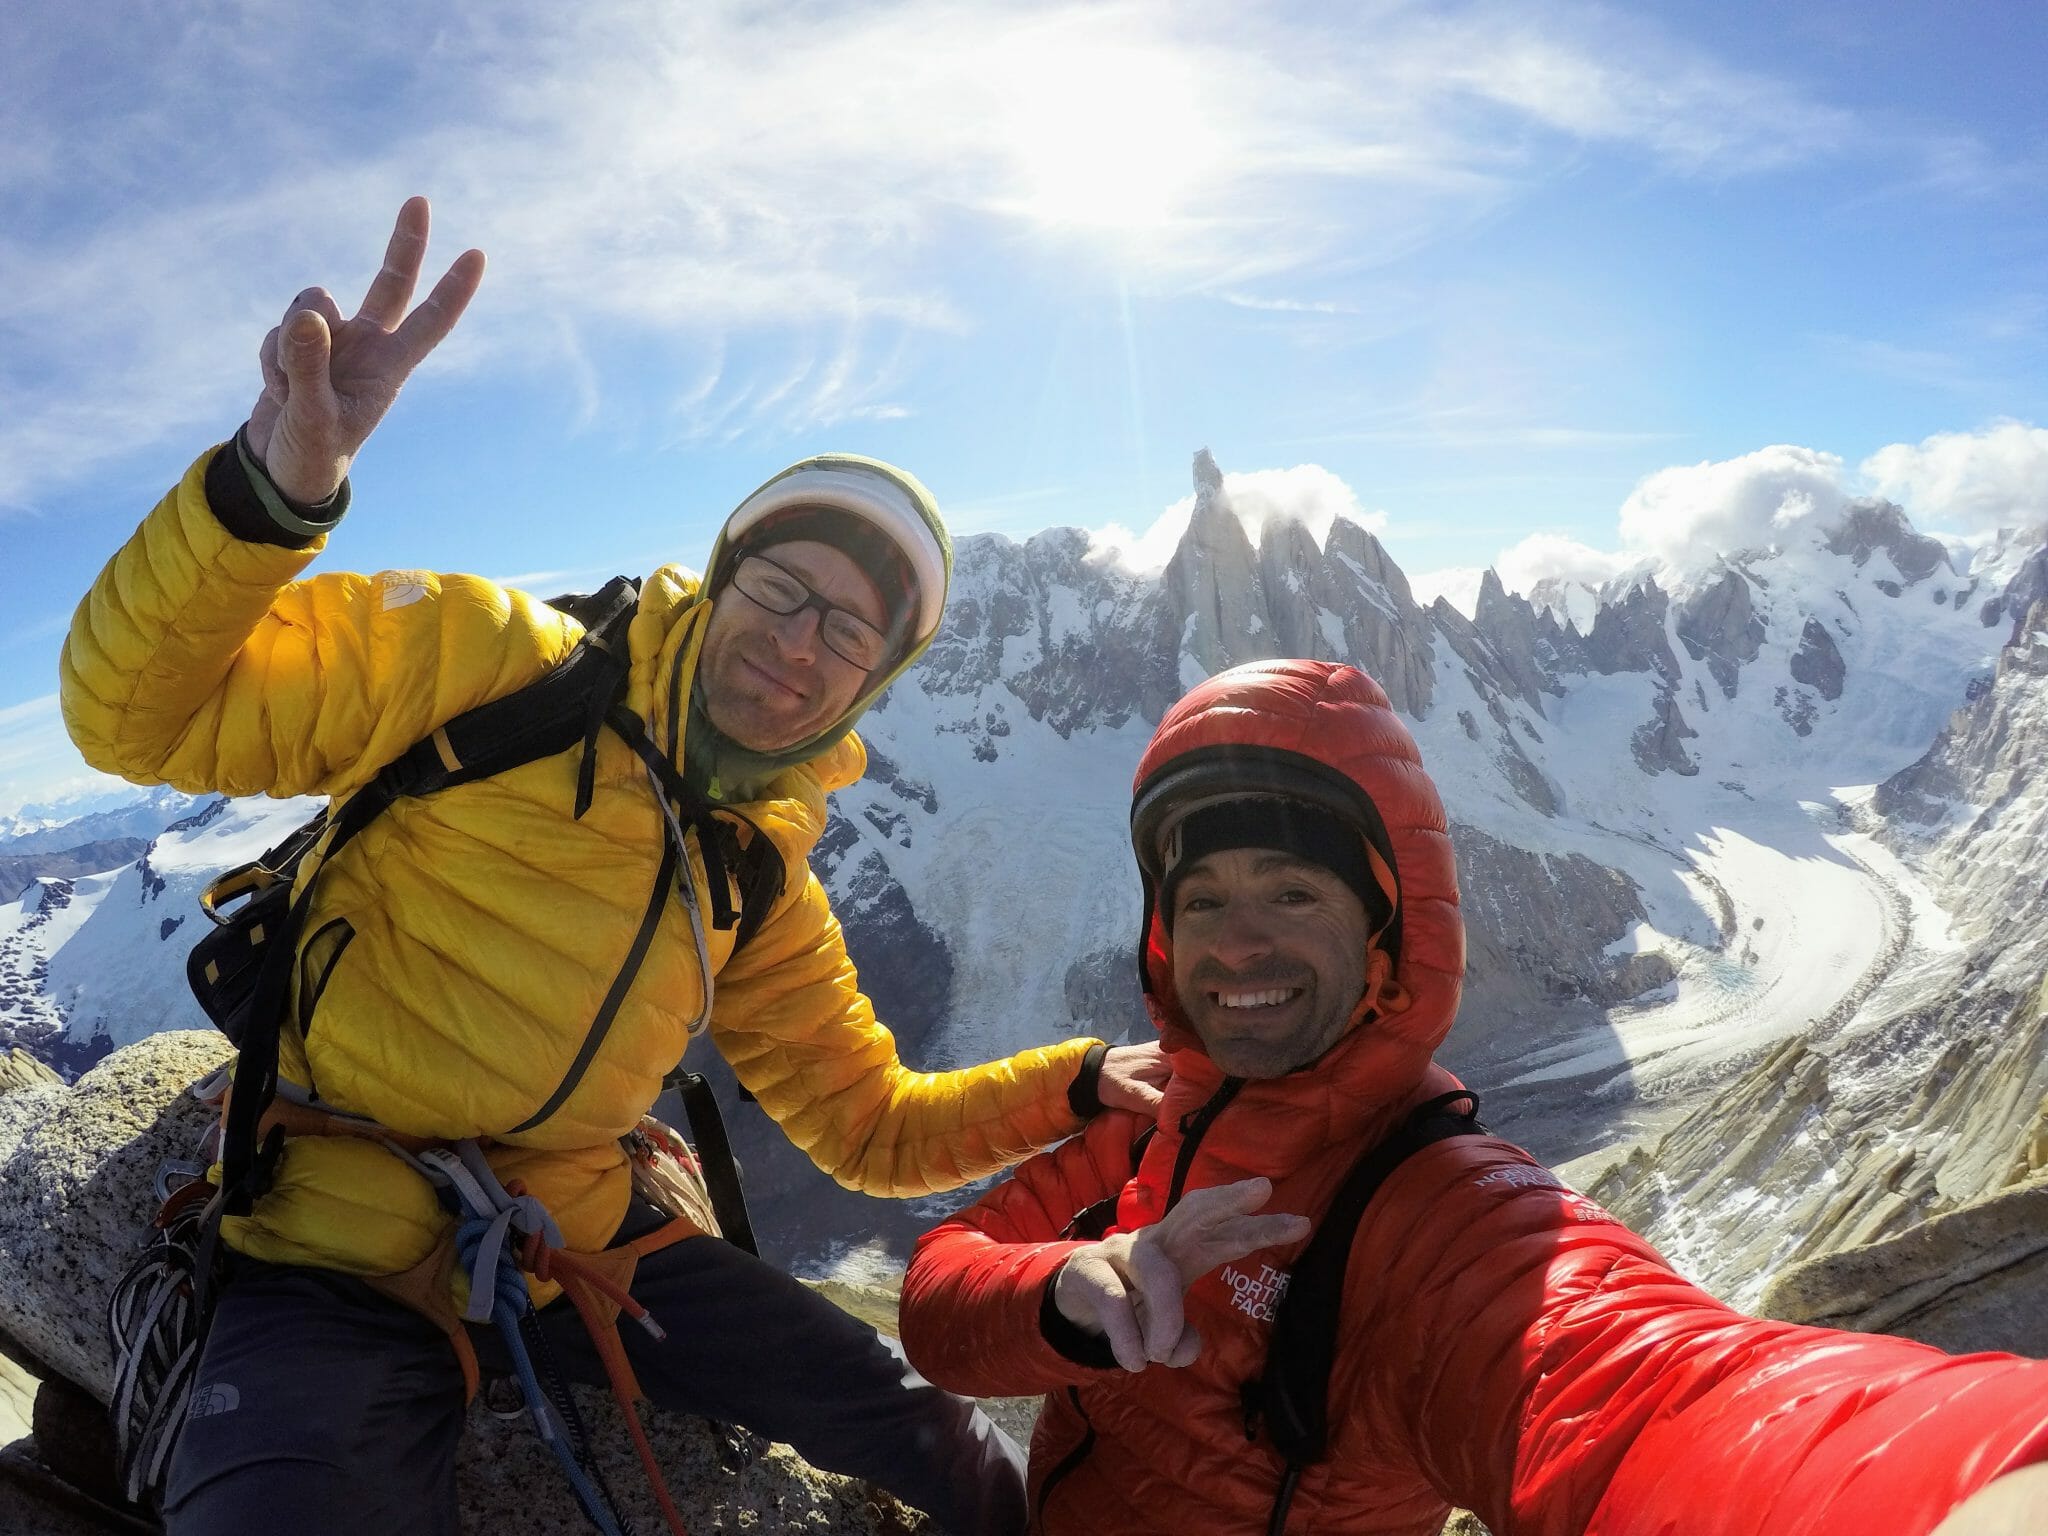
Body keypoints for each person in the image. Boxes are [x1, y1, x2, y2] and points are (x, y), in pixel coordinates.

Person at [59, 197, 1167, 1536]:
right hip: (327, 1246)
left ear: (875, 684)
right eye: (780, 592)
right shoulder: (488, 662)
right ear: (719, 578)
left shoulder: (757, 879)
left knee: (949, 1453)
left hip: (579, 1243)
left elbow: (870, 1126)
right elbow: (133, 715)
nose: (800, 646)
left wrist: (1081, 1082)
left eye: (851, 635)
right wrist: (271, 489)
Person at [899, 657, 2048, 1536]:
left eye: (1294, 895)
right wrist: (1064, 1294)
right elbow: (941, 1299)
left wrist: (1977, 1489)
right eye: (1201, 900)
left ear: (1387, 935)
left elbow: (1639, 1394)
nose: (1237, 947)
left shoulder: (1440, 1215)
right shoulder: (1155, 1109)